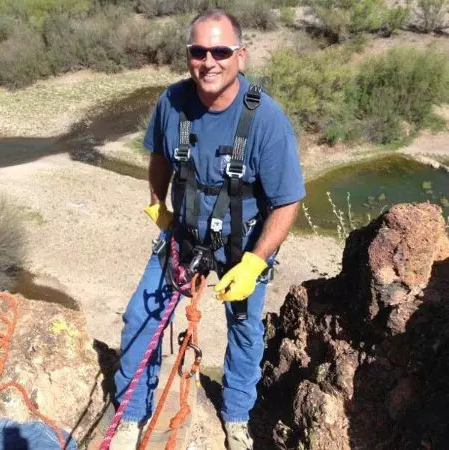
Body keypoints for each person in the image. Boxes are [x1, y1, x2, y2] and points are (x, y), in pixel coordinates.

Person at [111, 8, 305, 450]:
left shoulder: (265, 120)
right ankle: (131, 415)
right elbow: (159, 157)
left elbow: (287, 200)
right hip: (184, 236)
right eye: (199, 51)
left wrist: (255, 261)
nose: (209, 61)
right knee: (142, 316)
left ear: (241, 56)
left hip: (244, 243)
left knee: (244, 328)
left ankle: (236, 418)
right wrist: (159, 204)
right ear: (188, 56)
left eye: (221, 51)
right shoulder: (172, 103)